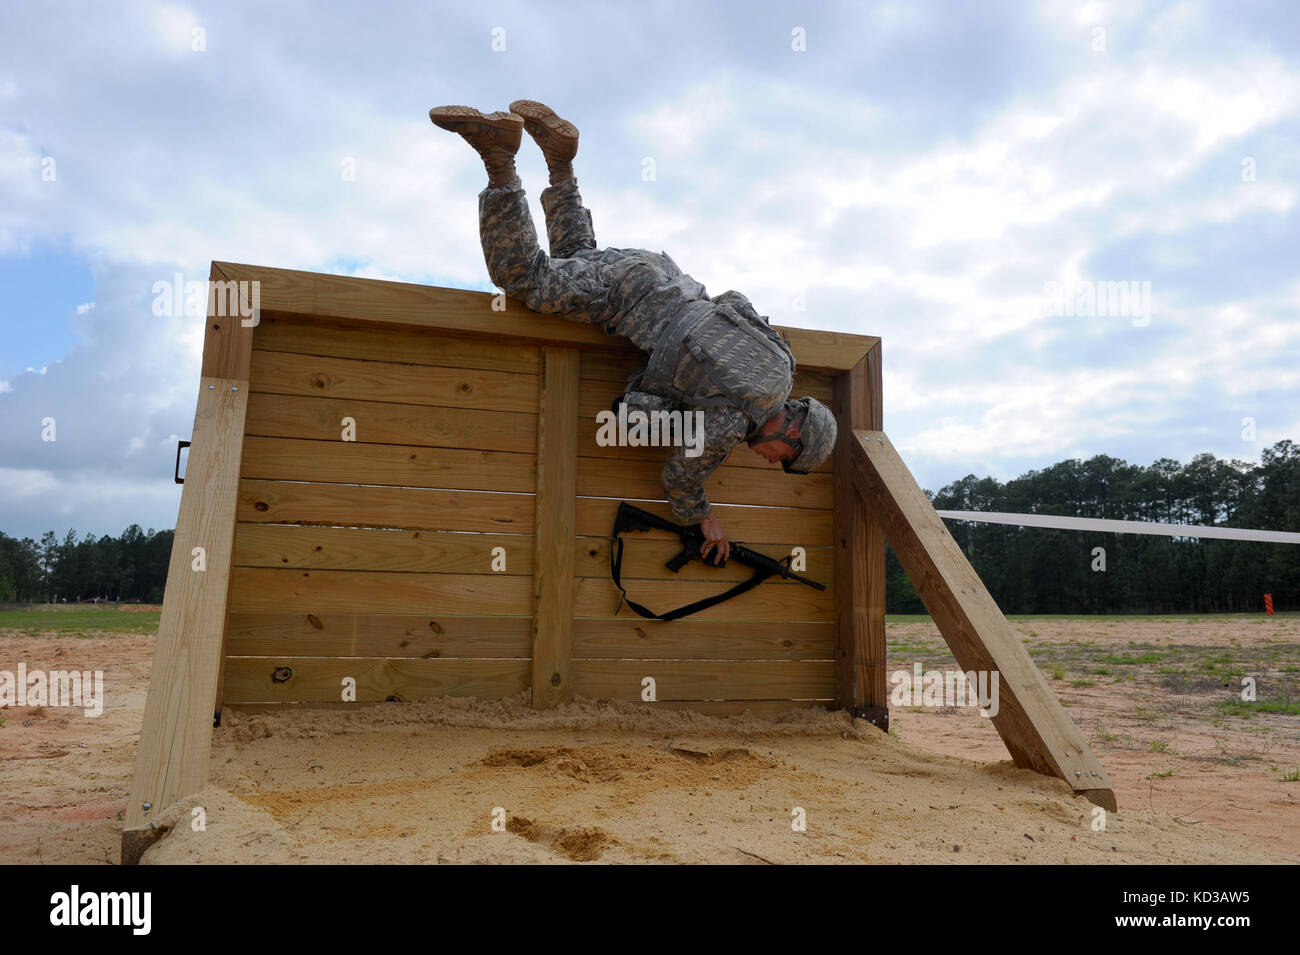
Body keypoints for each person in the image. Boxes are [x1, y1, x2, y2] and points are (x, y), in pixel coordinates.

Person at [429, 100, 837, 565]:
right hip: (629, 298)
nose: (771, 461)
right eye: (784, 458)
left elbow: (733, 301)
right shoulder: (733, 423)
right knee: (525, 277)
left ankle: (560, 162)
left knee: (577, 257)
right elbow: (680, 476)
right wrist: (704, 517)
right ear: (794, 432)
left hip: (659, 272)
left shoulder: (783, 360)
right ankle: (498, 158)